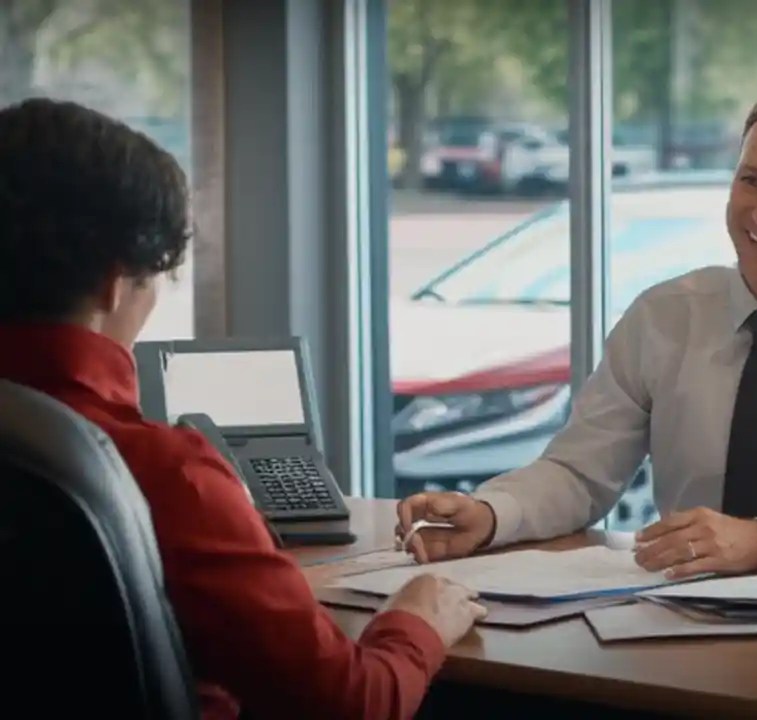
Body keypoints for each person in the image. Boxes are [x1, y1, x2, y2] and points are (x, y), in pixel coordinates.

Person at [0, 97, 484, 720]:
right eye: (155, 280)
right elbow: (352, 705)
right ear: (114, 284)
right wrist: (416, 619)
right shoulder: (162, 474)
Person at [397, 84, 757, 577]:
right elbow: (579, 473)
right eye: (751, 181)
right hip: (679, 610)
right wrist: (493, 513)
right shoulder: (663, 317)